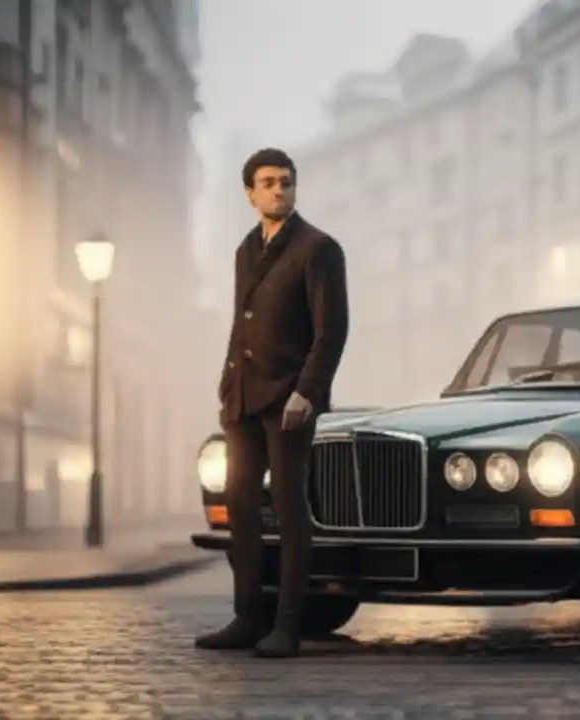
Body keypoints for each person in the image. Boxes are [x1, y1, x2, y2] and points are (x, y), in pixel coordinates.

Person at [196, 148, 349, 658]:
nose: (279, 190)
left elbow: (331, 331)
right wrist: (226, 386)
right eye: (268, 182)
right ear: (250, 193)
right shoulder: (245, 249)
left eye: (286, 182)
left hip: (289, 401)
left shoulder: (318, 248)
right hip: (243, 398)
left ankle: (288, 625)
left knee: (289, 511)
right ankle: (247, 617)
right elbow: (242, 323)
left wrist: (308, 391)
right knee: (239, 507)